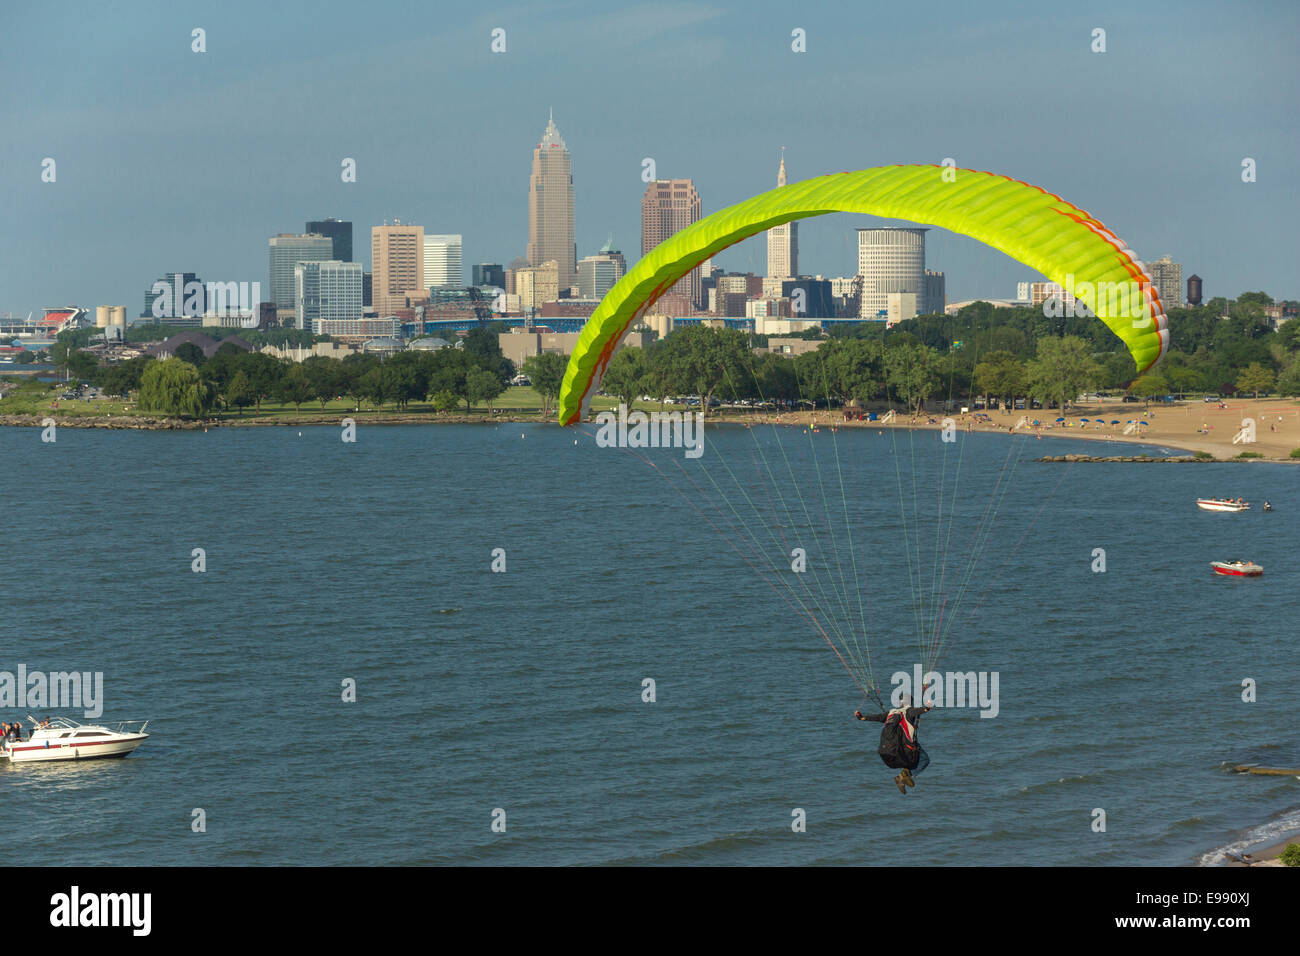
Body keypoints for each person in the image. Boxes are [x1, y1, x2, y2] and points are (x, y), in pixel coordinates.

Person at [855, 695, 934, 794]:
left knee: (911, 758)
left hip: (888, 754)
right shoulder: (909, 711)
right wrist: (928, 707)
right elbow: (922, 710)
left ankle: (905, 774)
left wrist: (861, 717)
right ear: (910, 703)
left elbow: (871, 717)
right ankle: (904, 775)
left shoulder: (890, 713)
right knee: (924, 760)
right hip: (906, 751)